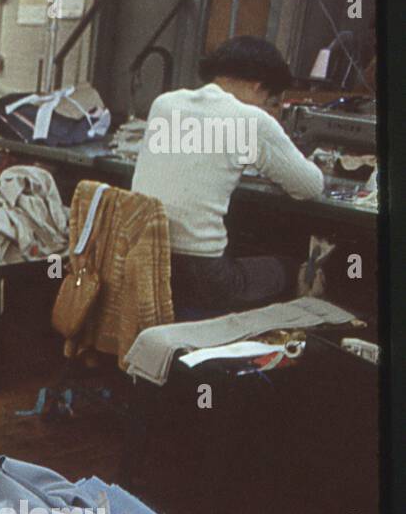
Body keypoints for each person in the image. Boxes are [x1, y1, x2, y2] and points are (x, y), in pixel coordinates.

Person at [131, 35, 325, 313]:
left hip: (145, 262)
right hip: (202, 275)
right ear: (258, 86)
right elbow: (310, 186)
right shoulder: (251, 119)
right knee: (291, 266)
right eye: (268, 100)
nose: (264, 107)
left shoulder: (164, 103)